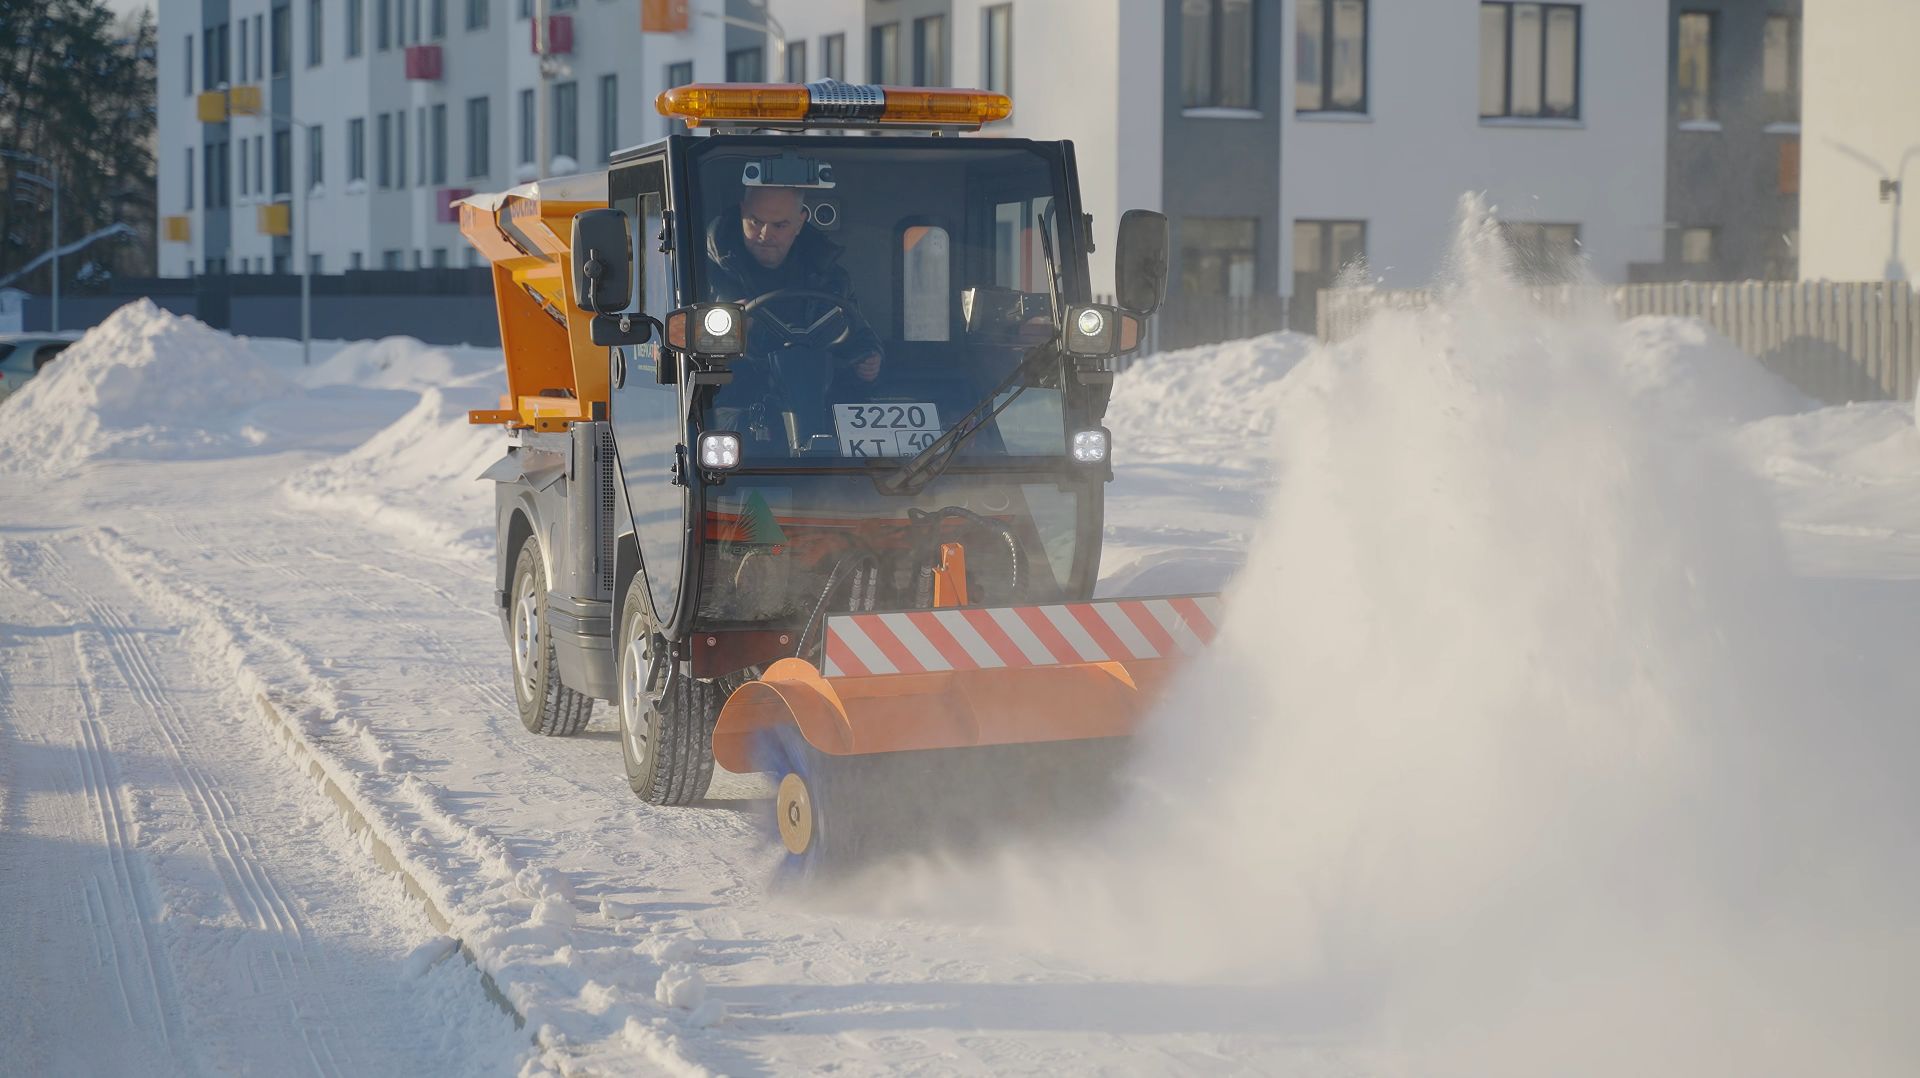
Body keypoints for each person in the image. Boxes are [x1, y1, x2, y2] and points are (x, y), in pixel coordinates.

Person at [703, 185, 883, 383]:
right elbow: (687, 359)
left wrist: (869, 360)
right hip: (734, 396)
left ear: (799, 222)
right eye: (756, 222)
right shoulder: (702, 271)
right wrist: (726, 334)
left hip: (816, 393)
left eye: (779, 225)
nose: (765, 234)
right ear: (742, 212)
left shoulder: (830, 278)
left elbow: (858, 336)